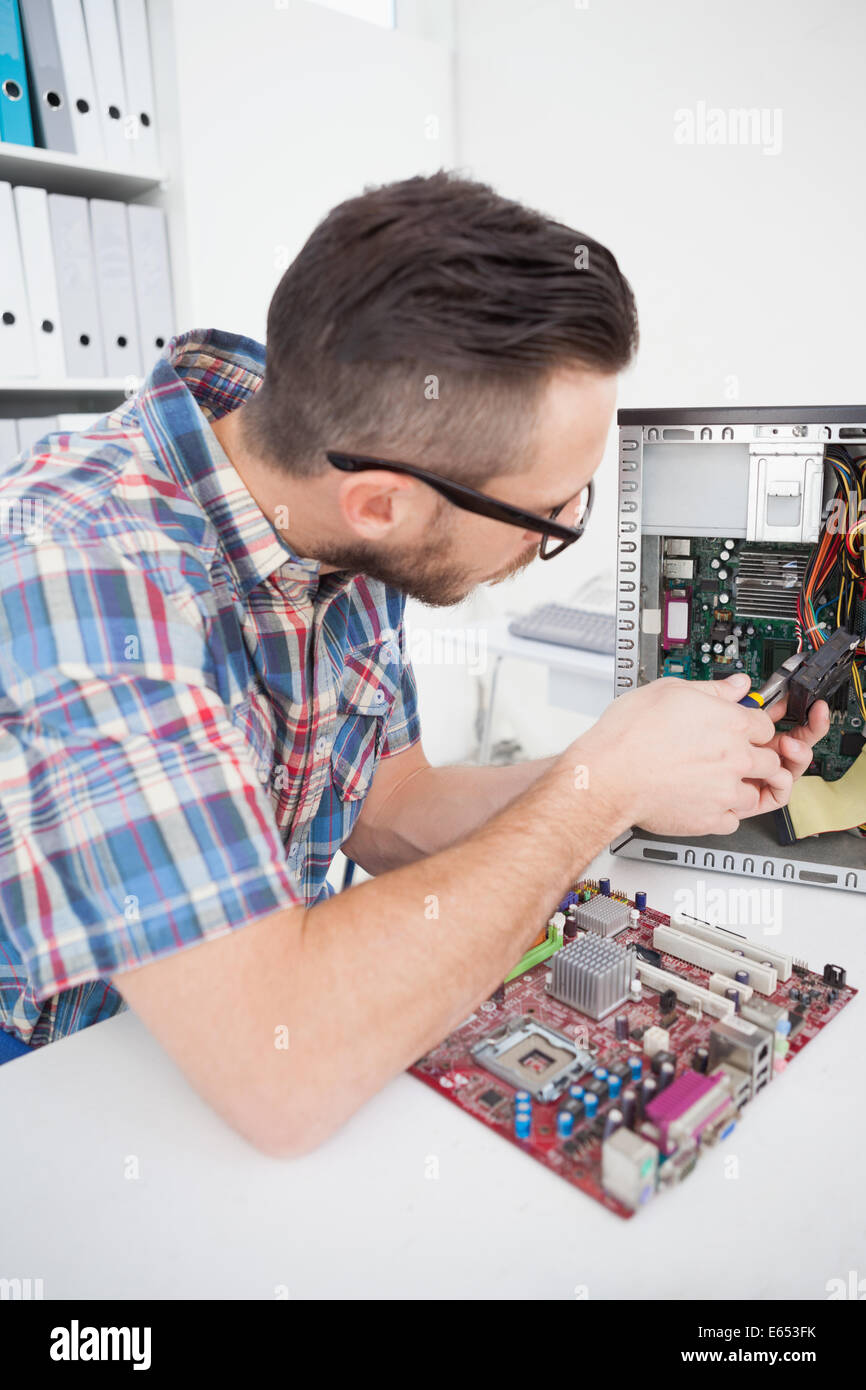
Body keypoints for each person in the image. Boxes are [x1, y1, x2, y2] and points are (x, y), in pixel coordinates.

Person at [0, 171, 827, 1149]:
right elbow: (282, 1066)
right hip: (76, 1101)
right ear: (383, 502)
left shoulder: (334, 487)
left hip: (248, 1040)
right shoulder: (75, 568)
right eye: (547, 515)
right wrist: (596, 789)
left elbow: (388, 814)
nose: (558, 534)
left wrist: (624, 777)